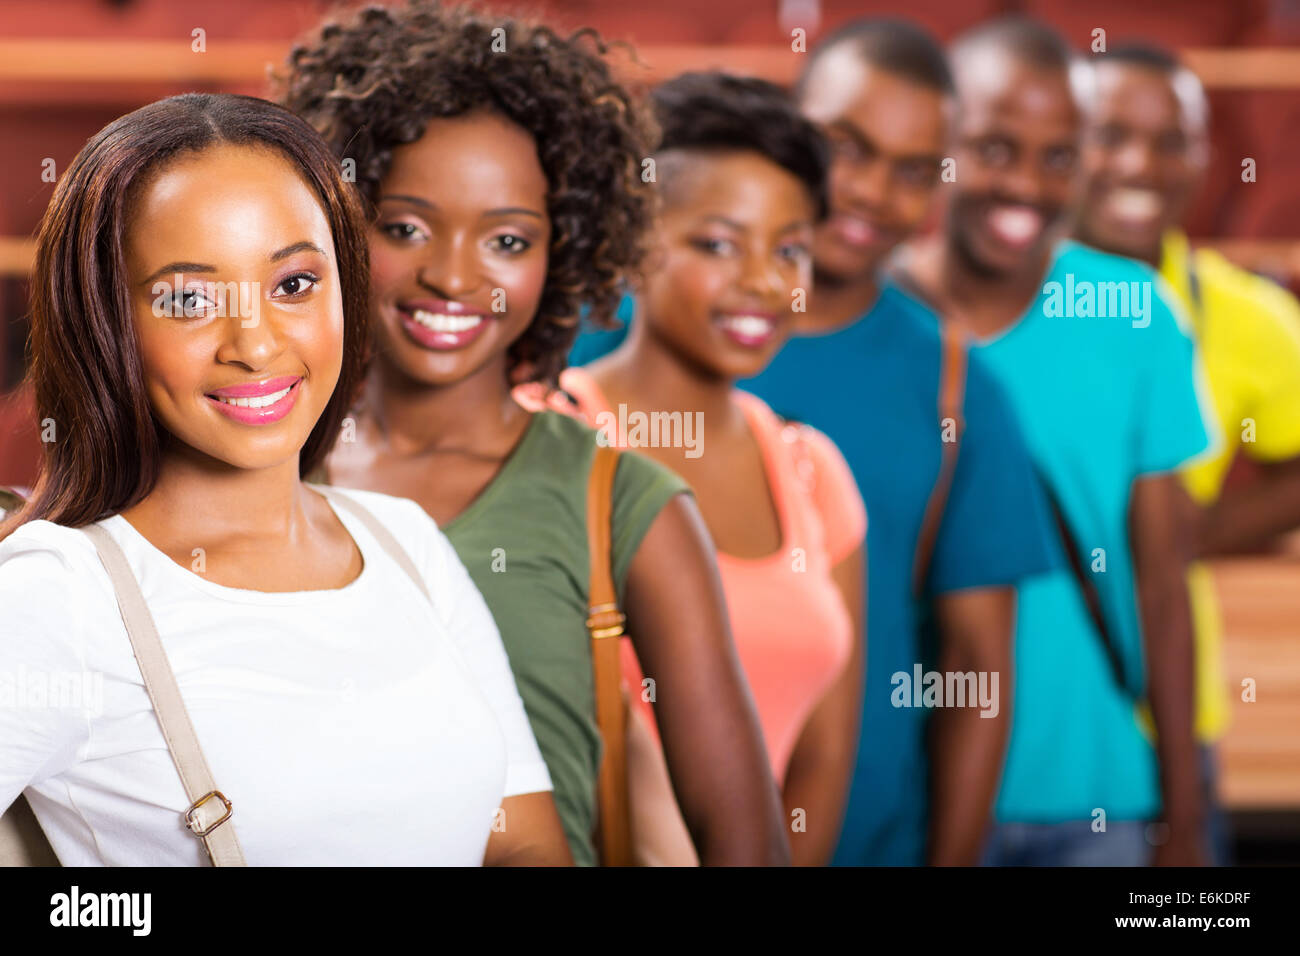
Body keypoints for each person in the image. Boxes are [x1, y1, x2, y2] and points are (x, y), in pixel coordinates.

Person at [279, 1, 788, 866]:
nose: (452, 274)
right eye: (405, 226)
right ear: (338, 221)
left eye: (507, 239)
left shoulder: (622, 504)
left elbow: (746, 842)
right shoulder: (255, 465)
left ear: (567, 251)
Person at [0, 92, 568, 866]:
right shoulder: (59, 595)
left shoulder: (403, 541)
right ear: (106, 323)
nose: (257, 345)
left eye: (294, 285)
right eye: (189, 299)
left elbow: (525, 847)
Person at [573, 19, 1059, 866]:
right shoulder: (566, 396)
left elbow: (965, 670)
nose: (871, 190)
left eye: (914, 170)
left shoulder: (916, 406)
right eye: (850, 148)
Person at [889, 17, 1219, 866]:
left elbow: (1161, 585)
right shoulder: (866, 314)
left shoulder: (1137, 313)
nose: (1027, 185)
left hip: (1097, 796)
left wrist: (1183, 819)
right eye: (995, 148)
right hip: (908, 794)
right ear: (943, 145)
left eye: (1059, 157)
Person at [548, 72, 865, 865]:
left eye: (788, 249)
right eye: (719, 243)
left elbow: (824, 762)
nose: (763, 280)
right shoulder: (550, 438)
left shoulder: (813, 471)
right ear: (632, 242)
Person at [1076, 43, 1300, 865]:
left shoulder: (1245, 316)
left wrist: (1189, 535)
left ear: (1207, 156)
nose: (1139, 162)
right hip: (1004, 721)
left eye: (1171, 140)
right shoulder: (986, 308)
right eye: (1108, 134)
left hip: (1163, 716)